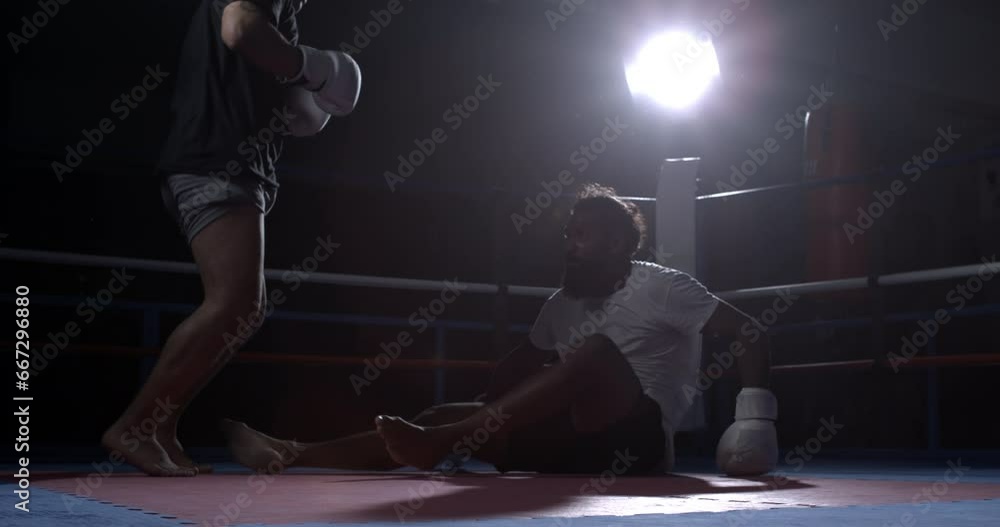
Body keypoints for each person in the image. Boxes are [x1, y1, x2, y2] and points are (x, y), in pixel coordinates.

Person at [224, 184, 778, 477]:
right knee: (444, 416)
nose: (569, 243)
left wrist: (755, 421)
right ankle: (292, 454)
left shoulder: (663, 287)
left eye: (582, 235)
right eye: (568, 233)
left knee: (595, 351)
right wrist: (472, 419)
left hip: (637, 446)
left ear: (616, 244)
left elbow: (749, 330)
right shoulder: (560, 304)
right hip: (572, 445)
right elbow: (517, 372)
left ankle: (438, 446)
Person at [102, 0, 361, 476]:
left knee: (246, 308)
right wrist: (310, 65)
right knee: (234, 303)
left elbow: (290, 113)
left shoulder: (287, 16)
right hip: (216, 162)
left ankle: (159, 429)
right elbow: (239, 27)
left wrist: (318, 88)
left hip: (235, 166)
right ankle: (137, 425)